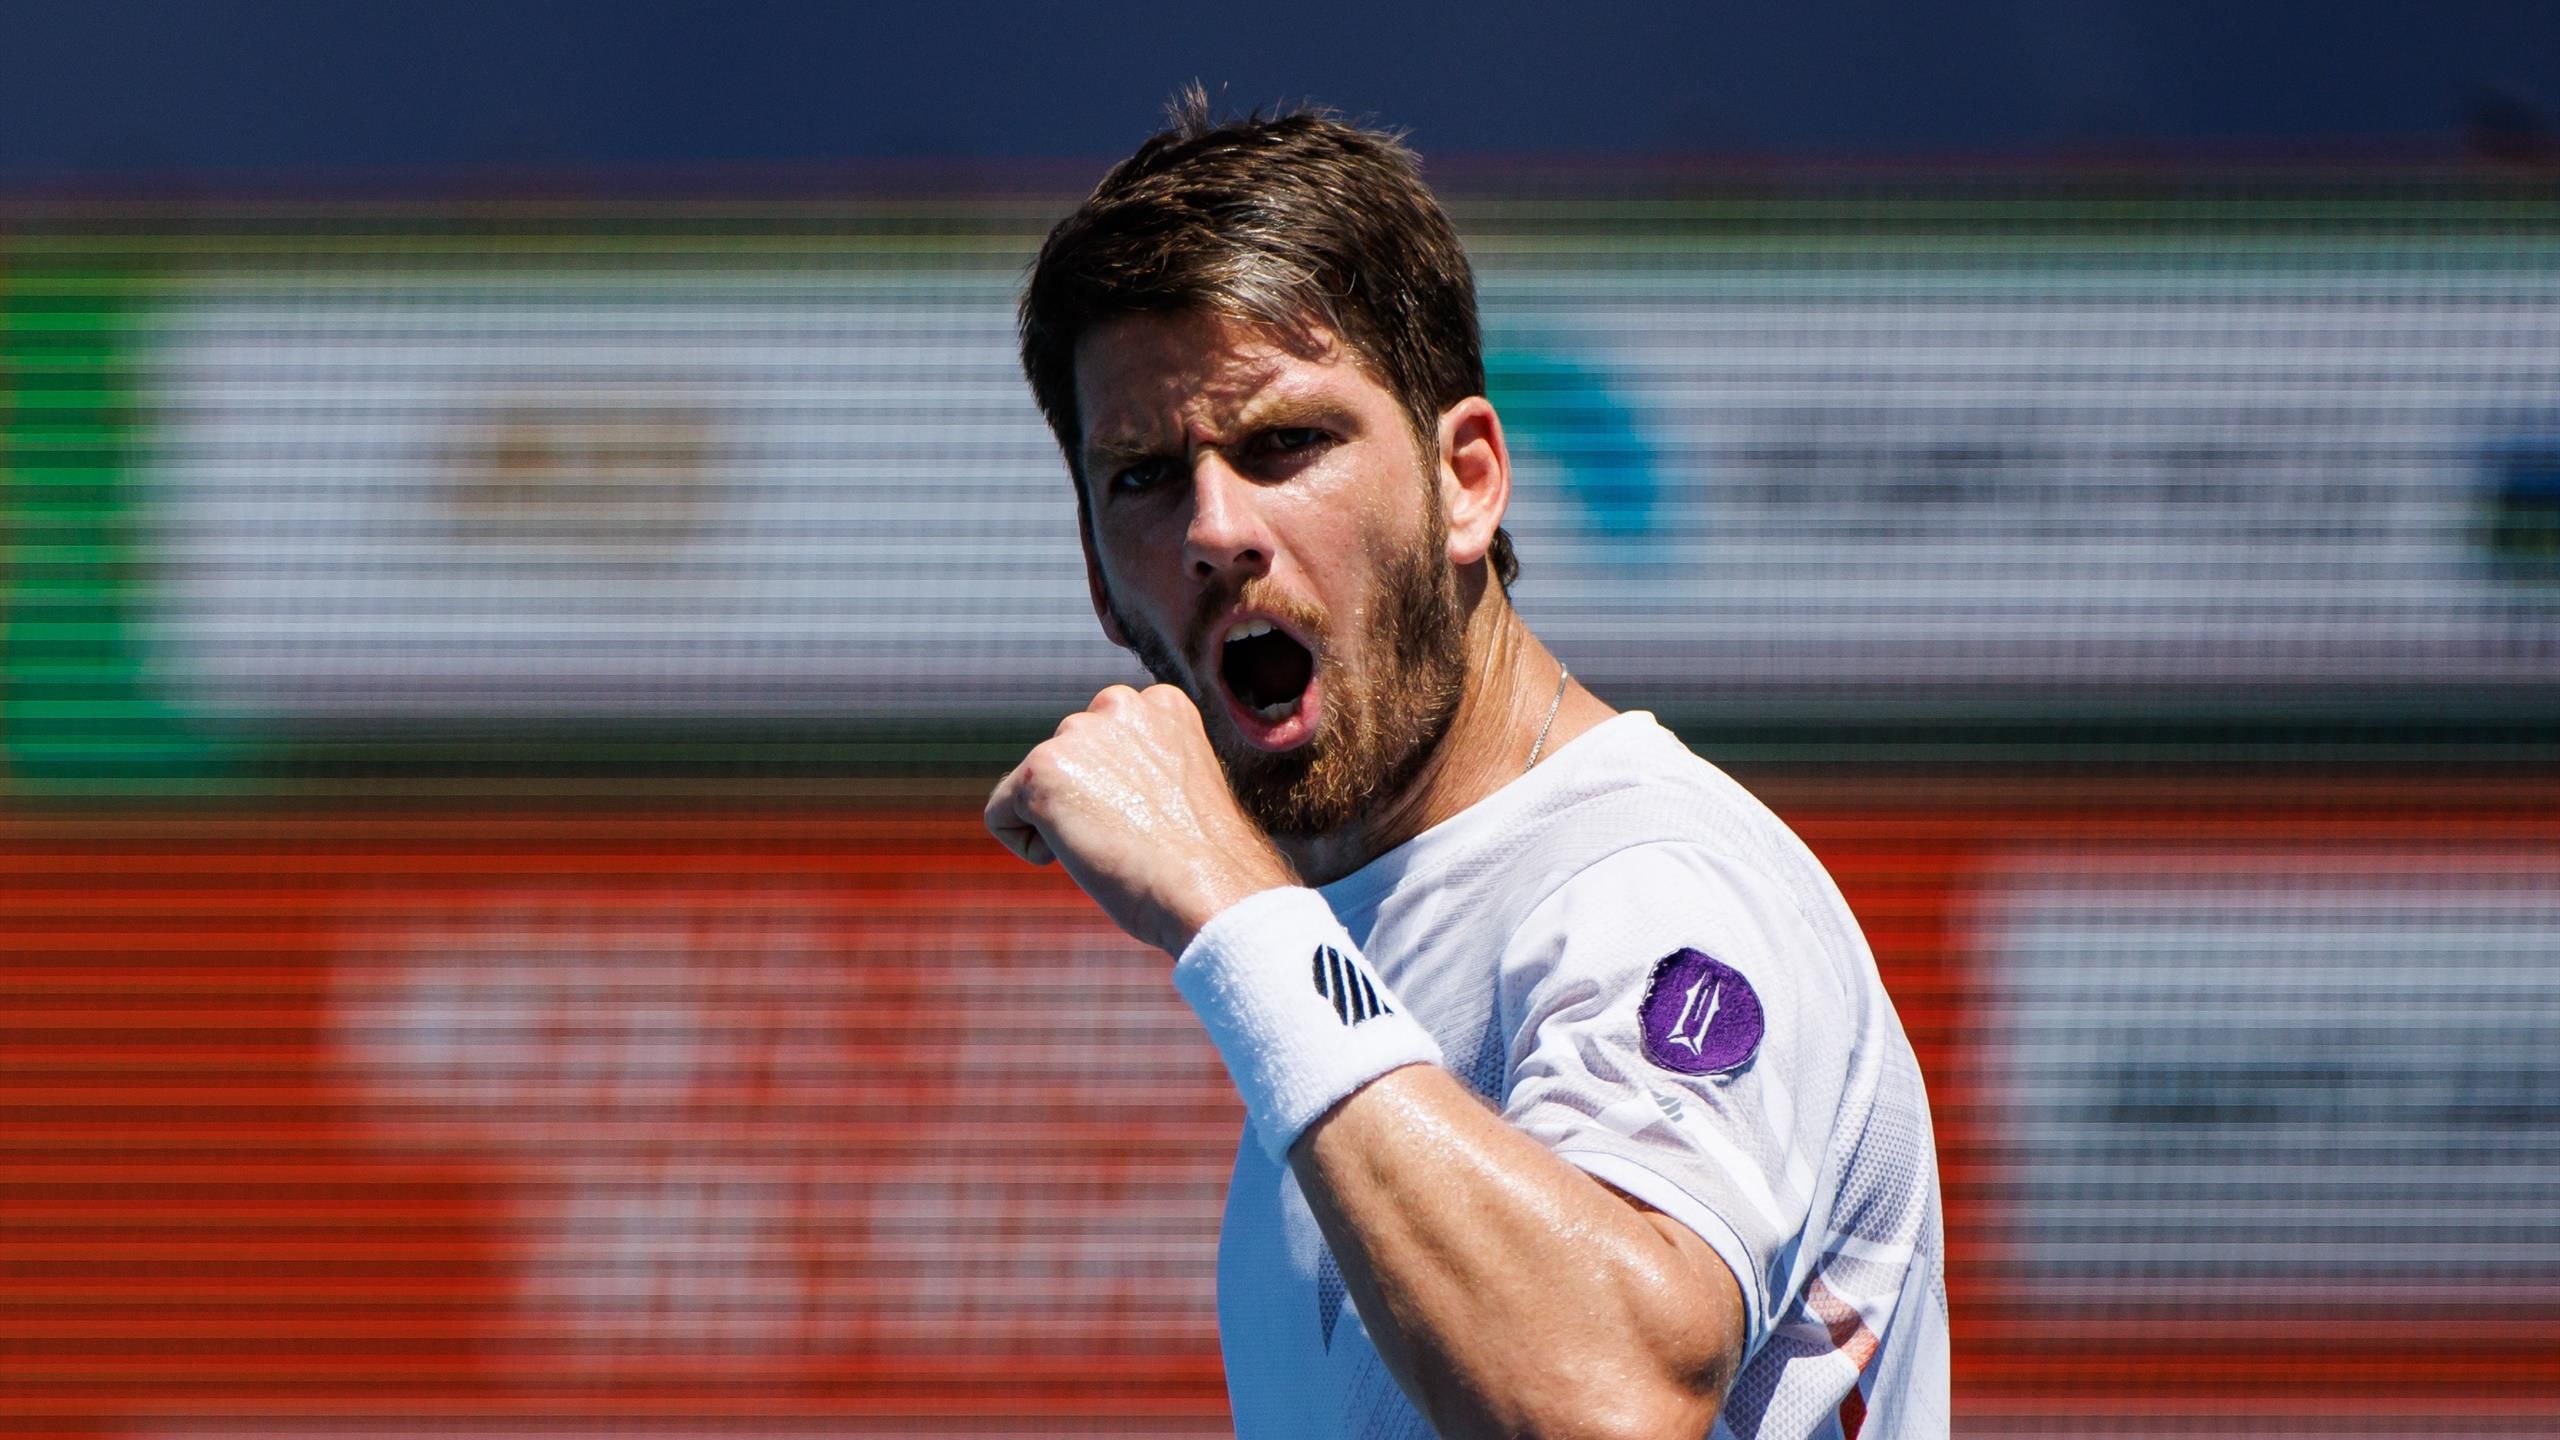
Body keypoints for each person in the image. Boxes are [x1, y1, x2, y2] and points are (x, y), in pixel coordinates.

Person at [985, 90, 1947, 1440]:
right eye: (1144, 477)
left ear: (1469, 482)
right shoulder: (1349, 975)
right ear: (1098, 577)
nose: (1215, 529)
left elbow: (1610, 1404)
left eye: (1284, 444)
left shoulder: (1653, 883)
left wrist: (1233, 910)